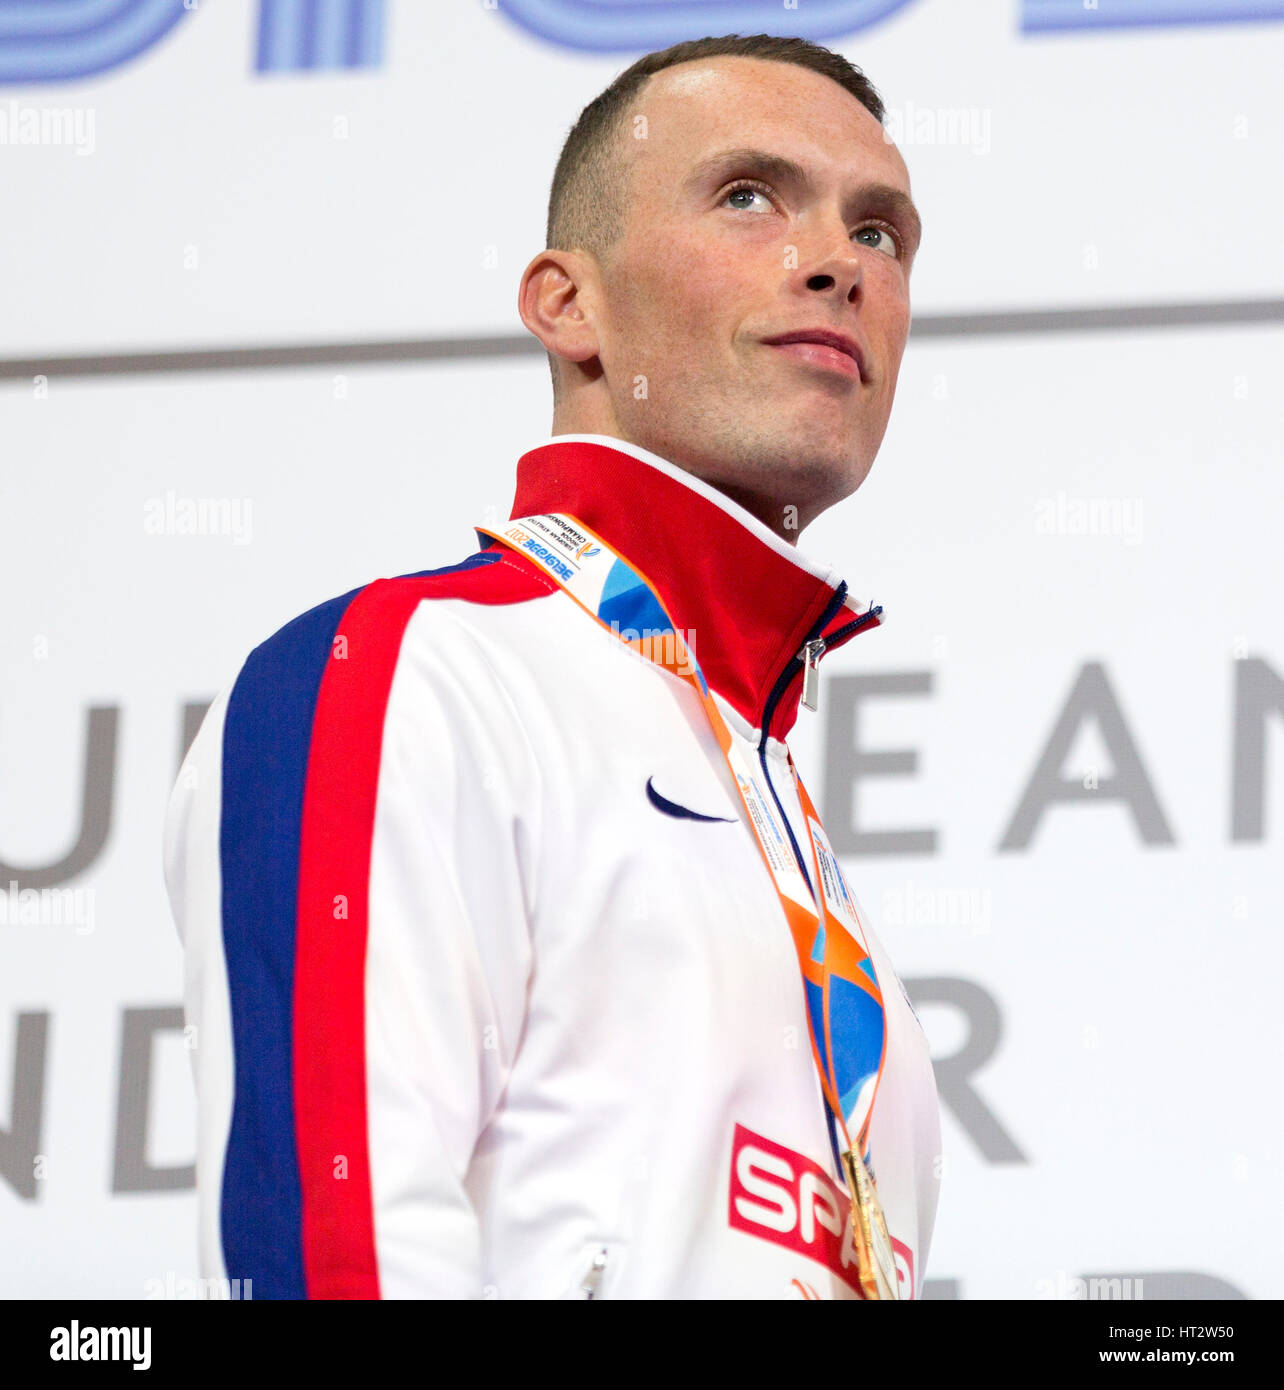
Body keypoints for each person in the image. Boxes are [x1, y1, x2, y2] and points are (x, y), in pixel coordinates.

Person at [164, 32, 941, 1301]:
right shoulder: (410, 672)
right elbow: (336, 1265)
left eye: (881, 233)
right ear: (567, 305)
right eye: (750, 195)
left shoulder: (778, 809)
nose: (837, 264)